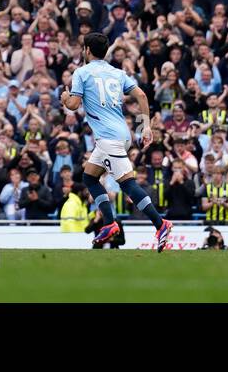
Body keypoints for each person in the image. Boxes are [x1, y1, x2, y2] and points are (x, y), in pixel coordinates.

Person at [61, 31, 173, 250]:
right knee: (90, 177)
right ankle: (109, 222)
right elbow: (141, 95)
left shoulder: (81, 73)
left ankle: (161, 224)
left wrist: (65, 98)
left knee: (128, 184)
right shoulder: (117, 73)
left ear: (86, 50)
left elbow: (73, 105)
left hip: (109, 138)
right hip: (121, 135)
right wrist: (146, 126)